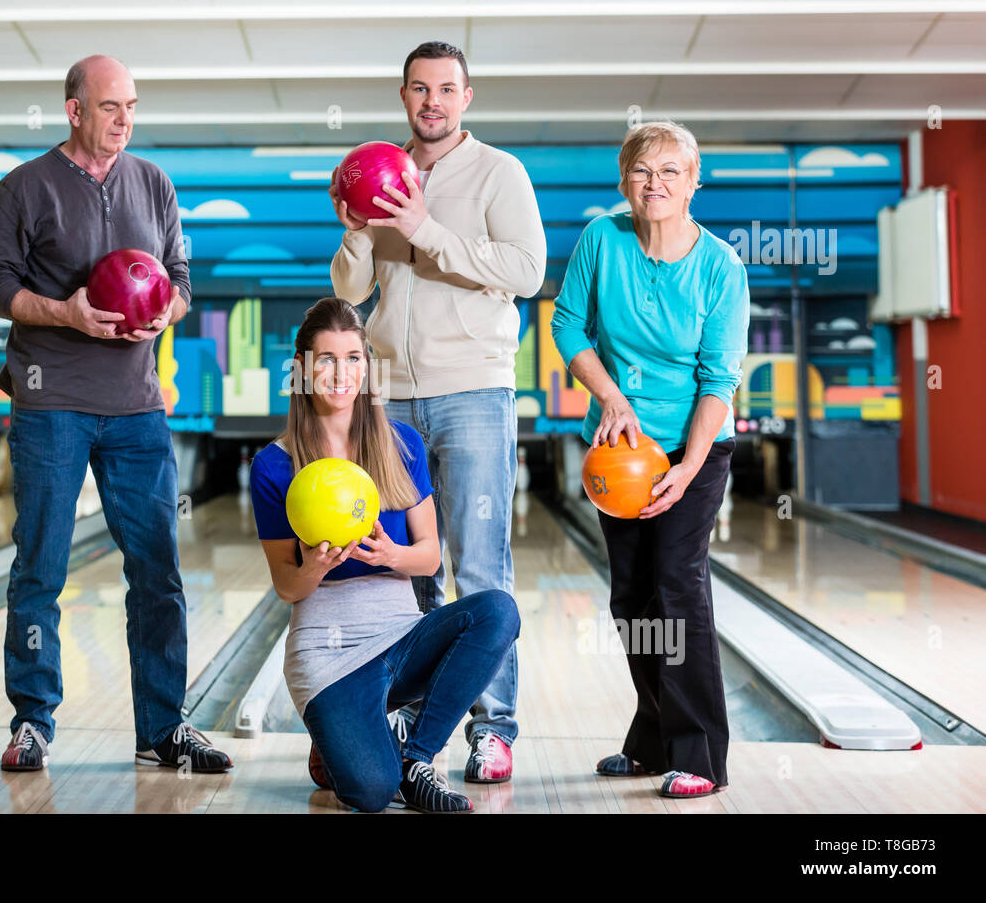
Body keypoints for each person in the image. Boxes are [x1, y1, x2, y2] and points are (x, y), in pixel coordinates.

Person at [0, 54, 231, 775]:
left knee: (159, 572)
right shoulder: (25, 187)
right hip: (50, 401)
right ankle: (33, 722)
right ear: (74, 109)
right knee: (42, 567)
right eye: (110, 106)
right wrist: (65, 313)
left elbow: (180, 280)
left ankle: (163, 728)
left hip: (137, 408)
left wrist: (162, 314)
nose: (124, 120)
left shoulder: (154, 183)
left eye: (132, 107)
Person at [328, 41, 546, 783]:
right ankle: (411, 721)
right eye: (420, 90)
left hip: (474, 388)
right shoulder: (382, 171)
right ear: (404, 97)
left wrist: (424, 227)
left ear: (466, 97)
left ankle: (494, 729)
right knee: (405, 570)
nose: (433, 102)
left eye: (446, 89)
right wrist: (358, 224)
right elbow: (351, 291)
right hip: (389, 395)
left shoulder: (499, 173)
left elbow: (525, 270)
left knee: (481, 564)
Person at [249, 297, 520, 813]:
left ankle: (416, 760)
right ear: (303, 368)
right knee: (369, 794)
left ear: (367, 366)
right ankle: (348, 735)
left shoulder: (403, 444)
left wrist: (390, 555)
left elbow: (429, 559)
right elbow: (287, 587)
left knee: (497, 611)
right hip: (328, 657)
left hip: (399, 637)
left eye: (353, 358)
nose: (340, 373)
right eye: (326, 359)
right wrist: (315, 568)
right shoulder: (274, 466)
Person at [550, 121, 750, 798]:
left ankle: (700, 754)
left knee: (678, 583)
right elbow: (566, 324)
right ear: (623, 180)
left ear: (696, 182)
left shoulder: (720, 266)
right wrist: (609, 396)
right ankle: (652, 735)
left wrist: (687, 469)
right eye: (642, 170)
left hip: (692, 446)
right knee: (631, 595)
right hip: (618, 447)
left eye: (671, 171)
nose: (655, 183)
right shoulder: (602, 240)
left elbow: (719, 379)